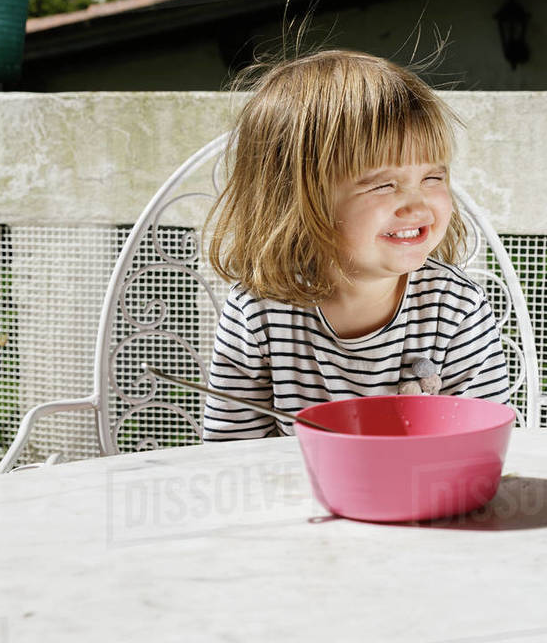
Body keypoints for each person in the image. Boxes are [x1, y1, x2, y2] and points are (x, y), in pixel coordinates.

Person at [201, 50, 510, 440]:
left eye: (433, 178)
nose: (418, 205)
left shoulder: (455, 307)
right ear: (299, 200)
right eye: (384, 184)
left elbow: (485, 448)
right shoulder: (258, 312)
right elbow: (230, 454)